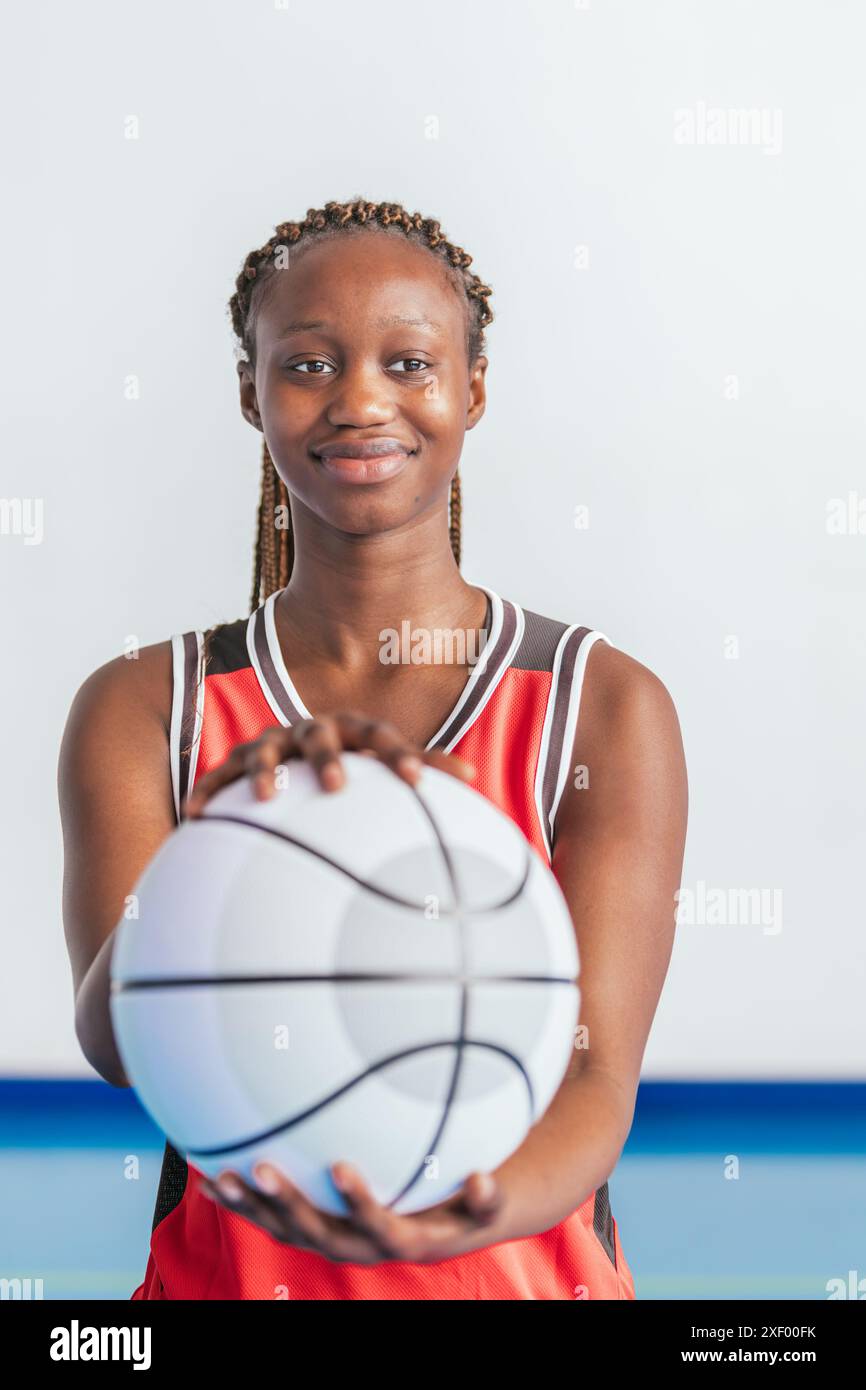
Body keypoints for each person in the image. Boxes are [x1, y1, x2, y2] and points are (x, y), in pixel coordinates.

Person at [59, 198, 688, 1300]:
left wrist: (443, 1220)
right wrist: (216, 839)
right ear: (248, 393)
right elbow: (117, 1048)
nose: (359, 399)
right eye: (306, 363)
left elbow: (593, 1075)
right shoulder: (145, 707)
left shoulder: (601, 706)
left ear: (472, 390)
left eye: (408, 361)